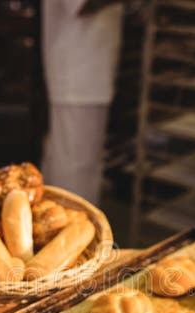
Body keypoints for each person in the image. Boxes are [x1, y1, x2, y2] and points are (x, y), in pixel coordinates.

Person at [41, 0, 124, 206]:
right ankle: (68, 228)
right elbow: (80, 5)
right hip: (77, 74)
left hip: (90, 72)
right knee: (74, 167)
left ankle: (61, 226)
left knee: (80, 162)